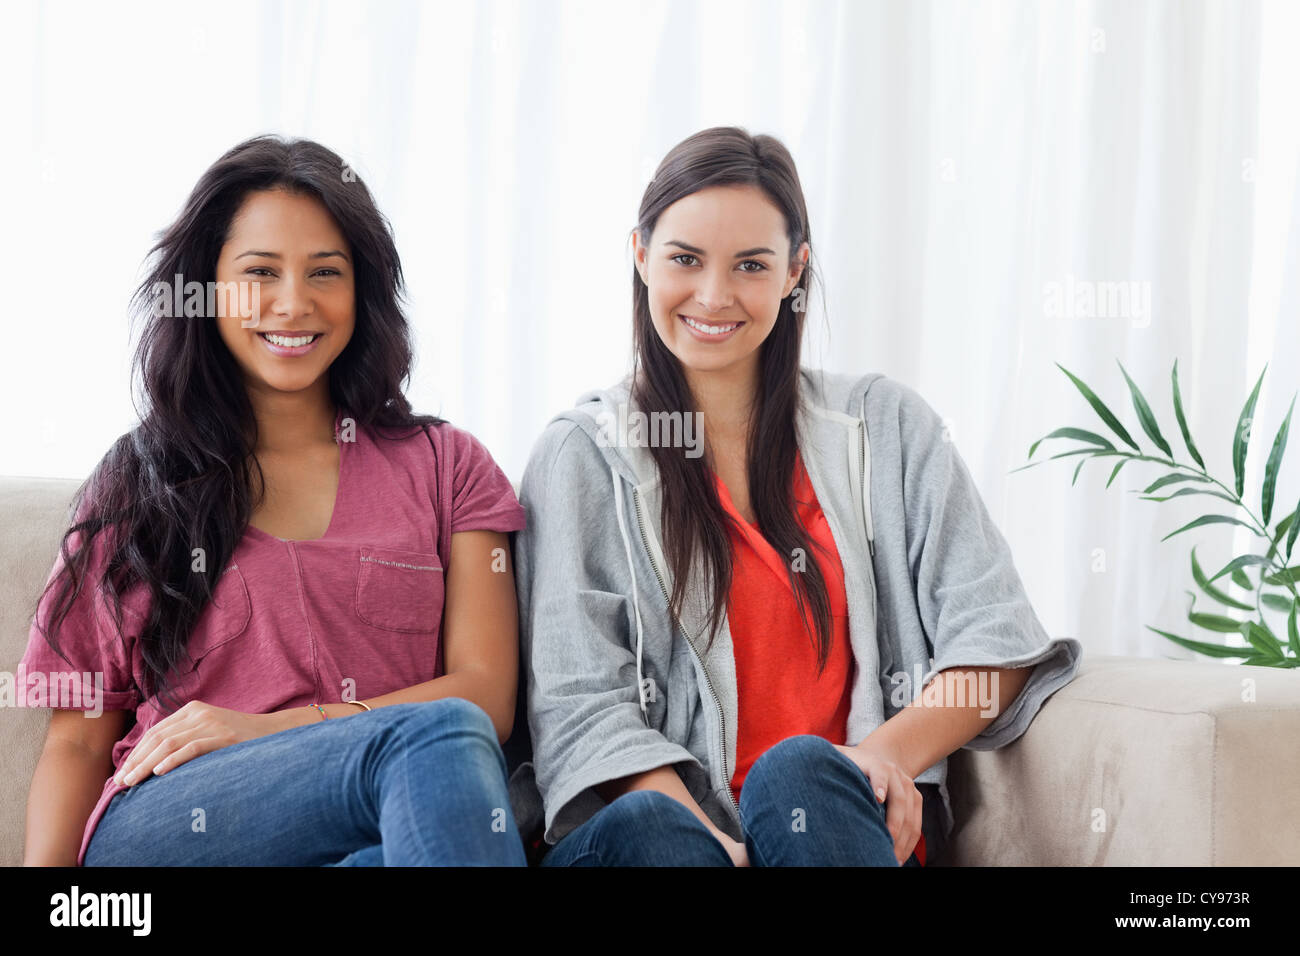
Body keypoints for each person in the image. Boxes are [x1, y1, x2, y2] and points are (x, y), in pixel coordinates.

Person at [507, 126, 1083, 867]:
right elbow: (581, 710)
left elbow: (996, 641)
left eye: (751, 264)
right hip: (671, 844)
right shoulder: (580, 457)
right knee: (656, 829)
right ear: (641, 256)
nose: (713, 296)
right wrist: (720, 849)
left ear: (794, 272)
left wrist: (876, 760)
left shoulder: (887, 428)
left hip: (836, 828)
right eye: (685, 259)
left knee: (805, 773)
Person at [18, 136, 528, 867]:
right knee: (438, 732)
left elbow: (486, 694)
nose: (293, 304)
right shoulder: (139, 480)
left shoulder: (449, 467)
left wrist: (262, 728)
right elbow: (76, 739)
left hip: (379, 826)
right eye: (259, 272)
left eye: (326, 272)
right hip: (175, 816)